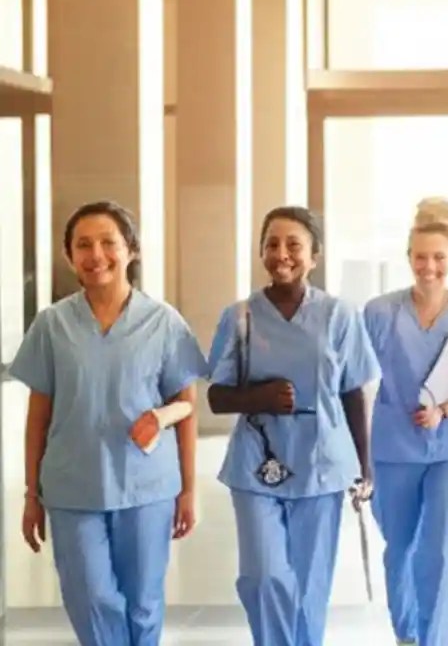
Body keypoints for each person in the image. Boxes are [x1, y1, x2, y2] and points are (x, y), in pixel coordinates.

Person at [11, 201, 205, 646]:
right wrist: (31, 494)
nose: (96, 254)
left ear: (130, 250)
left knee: (143, 603)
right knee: (91, 598)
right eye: (83, 245)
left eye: (108, 243)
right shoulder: (52, 325)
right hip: (72, 487)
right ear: (69, 257)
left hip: (147, 488)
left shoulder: (164, 322)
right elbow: (38, 417)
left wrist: (187, 489)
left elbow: (186, 404)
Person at [206, 206, 380, 646]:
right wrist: (259, 398)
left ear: (314, 256)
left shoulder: (340, 315)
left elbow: (353, 392)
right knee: (264, 576)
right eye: (272, 244)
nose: (281, 254)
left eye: (294, 245)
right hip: (256, 462)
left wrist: (365, 465)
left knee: (309, 587)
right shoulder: (240, 317)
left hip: (322, 461)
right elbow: (216, 396)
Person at [364, 199, 448, 646]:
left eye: (439, 257)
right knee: (400, 548)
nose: (429, 267)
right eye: (421, 257)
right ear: (408, 258)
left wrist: (445, 411)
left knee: (442, 550)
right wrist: (358, 456)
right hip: (392, 446)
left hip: (447, 447)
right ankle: (407, 634)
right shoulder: (379, 313)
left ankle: (436, 638)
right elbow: (359, 382)